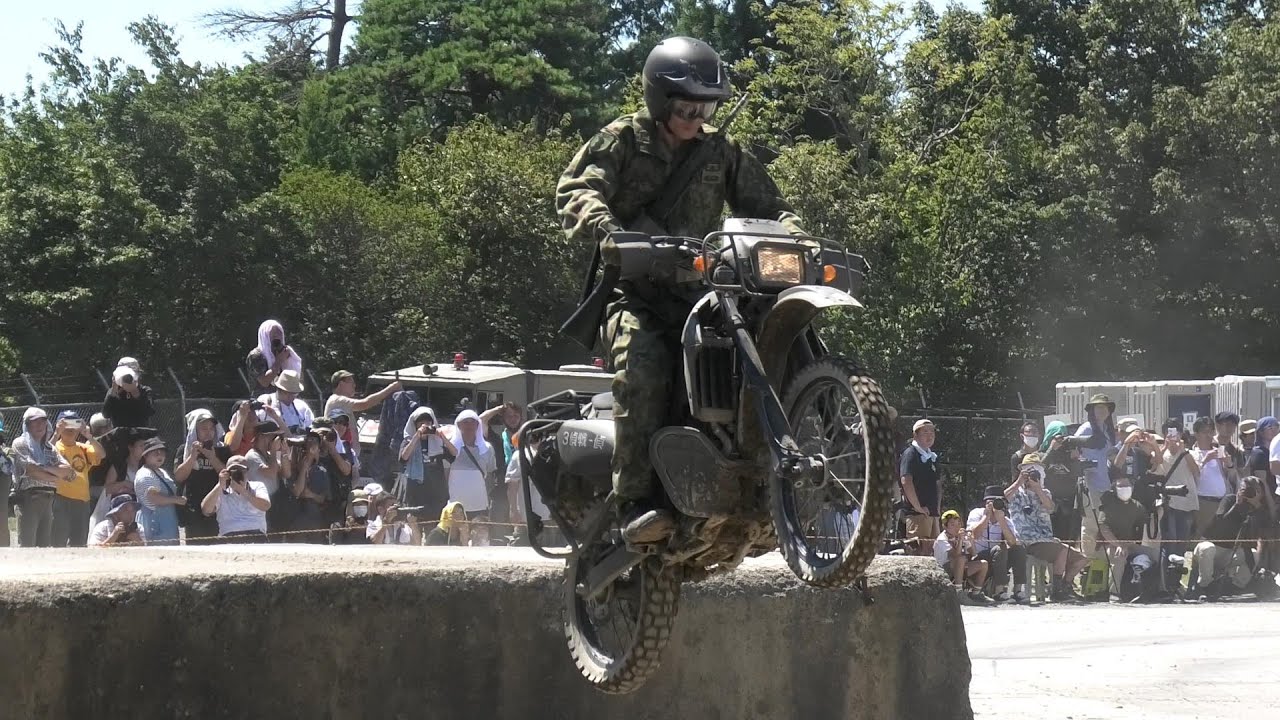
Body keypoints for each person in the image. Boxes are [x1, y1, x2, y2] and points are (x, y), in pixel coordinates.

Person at [556, 36, 805, 544]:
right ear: (659, 99)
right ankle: (634, 504)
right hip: (634, 294)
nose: (697, 116)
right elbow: (575, 188)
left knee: (765, 348)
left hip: (702, 291)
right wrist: (609, 232)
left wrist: (799, 238)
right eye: (688, 105)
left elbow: (770, 206)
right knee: (644, 362)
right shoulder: (622, 139)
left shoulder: (720, 150)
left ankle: (773, 481)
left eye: (707, 105)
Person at [1006, 453, 1089, 602]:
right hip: (1027, 541)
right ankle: (1056, 592)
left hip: (1047, 539)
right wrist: (1019, 481)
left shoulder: (1045, 492)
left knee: (1082, 559)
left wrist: (1037, 488)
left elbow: (1050, 508)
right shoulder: (1016, 493)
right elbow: (1004, 497)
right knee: (1061, 551)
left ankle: (1064, 585)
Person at [1191, 476, 1276, 600]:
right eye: (1244, 490)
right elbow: (1221, 524)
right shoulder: (1229, 499)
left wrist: (1256, 506)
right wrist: (1237, 505)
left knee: (1254, 555)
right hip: (1211, 546)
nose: (1247, 494)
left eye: (1252, 491)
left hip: (1230, 553)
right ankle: (1205, 586)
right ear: (1238, 490)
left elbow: (1264, 527)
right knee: (1207, 548)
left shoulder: (1256, 508)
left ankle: (1233, 587)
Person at [11, 407, 73, 547]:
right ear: (27, 425)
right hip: (28, 499)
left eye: (42, 421)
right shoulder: (20, 443)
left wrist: (44, 469)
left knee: (44, 547)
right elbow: (30, 470)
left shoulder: (50, 448)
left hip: (49, 500)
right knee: (27, 546)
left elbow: (68, 471)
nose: (39, 425)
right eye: (34, 422)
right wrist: (55, 476)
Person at [174, 409, 231, 544]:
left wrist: (212, 457)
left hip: (218, 506)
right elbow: (179, 477)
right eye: (204, 429)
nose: (209, 432)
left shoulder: (222, 450)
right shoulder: (184, 450)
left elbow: (228, 475)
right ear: (195, 431)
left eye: (211, 428)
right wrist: (193, 456)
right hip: (193, 508)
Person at [1098, 475, 1159, 601]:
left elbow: (1147, 521)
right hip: (1108, 546)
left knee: (1156, 554)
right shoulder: (1109, 505)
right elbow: (1104, 528)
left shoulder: (1136, 506)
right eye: (1121, 486)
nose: (1125, 488)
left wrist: (1159, 507)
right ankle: (1114, 593)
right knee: (1120, 557)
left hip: (1128, 545)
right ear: (1114, 489)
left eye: (1127, 485)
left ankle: (1160, 590)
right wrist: (1118, 545)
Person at [50, 410, 104, 547]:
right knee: (58, 541)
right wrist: (56, 434)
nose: (69, 428)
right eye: (65, 424)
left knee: (79, 543)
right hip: (61, 499)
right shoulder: (54, 446)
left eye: (73, 424)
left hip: (82, 501)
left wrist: (89, 436)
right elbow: (45, 456)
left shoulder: (83, 448)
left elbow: (101, 454)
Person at [966, 485, 1028, 604]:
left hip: (1000, 557)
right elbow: (974, 535)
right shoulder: (977, 513)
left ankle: (1018, 590)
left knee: (1019, 549)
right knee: (1000, 549)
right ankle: (999, 592)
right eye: (992, 502)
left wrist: (1001, 522)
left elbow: (1012, 542)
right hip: (980, 557)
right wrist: (986, 517)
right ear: (986, 503)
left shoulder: (1005, 519)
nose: (995, 505)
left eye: (998, 501)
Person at [1075, 394, 1118, 558]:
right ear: (1091, 411)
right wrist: (1085, 464)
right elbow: (1074, 452)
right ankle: (1086, 561)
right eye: (1097, 408)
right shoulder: (1086, 428)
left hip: (1106, 486)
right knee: (1090, 525)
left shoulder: (1107, 431)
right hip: (1089, 484)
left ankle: (1099, 563)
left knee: (1104, 525)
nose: (1101, 411)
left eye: (1104, 407)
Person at [445, 409, 497, 546]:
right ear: (459, 425)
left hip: (480, 503)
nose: (468, 425)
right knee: (455, 541)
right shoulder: (449, 448)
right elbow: (445, 474)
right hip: (455, 505)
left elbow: (490, 475)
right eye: (465, 422)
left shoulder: (487, 448)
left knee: (479, 540)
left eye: (472, 422)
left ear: (477, 425)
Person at [398, 407, 455, 522]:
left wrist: (442, 437)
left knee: (433, 526)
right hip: (415, 492)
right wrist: (416, 437)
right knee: (414, 527)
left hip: (436, 493)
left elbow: (453, 455)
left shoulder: (437, 442)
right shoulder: (409, 440)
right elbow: (403, 458)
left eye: (428, 423)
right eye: (421, 423)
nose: (425, 426)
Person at [200, 456, 272, 543]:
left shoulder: (257, 486)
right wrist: (220, 485)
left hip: (255, 534)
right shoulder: (220, 490)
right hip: (228, 535)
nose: (237, 474)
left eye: (241, 471)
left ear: (247, 472)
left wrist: (242, 490)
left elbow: (265, 506)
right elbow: (206, 510)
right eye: (233, 471)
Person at [1190, 415, 1236, 540]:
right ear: (1196, 434)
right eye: (1205, 432)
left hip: (1222, 502)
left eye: (1211, 432)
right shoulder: (1191, 453)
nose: (1209, 435)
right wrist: (1205, 460)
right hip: (1203, 502)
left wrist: (1229, 464)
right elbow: (1193, 475)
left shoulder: (1220, 450)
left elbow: (1231, 476)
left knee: (1220, 537)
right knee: (1201, 537)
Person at [901, 419, 943, 556]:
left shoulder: (932, 457)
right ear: (915, 435)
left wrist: (937, 509)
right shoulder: (910, 454)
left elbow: (938, 484)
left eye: (932, 432)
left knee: (931, 551)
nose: (930, 435)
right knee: (918, 552)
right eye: (925, 432)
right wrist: (917, 506)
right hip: (917, 514)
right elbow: (906, 480)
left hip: (932, 513)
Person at [133, 438, 185, 545]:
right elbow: (153, 498)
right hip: (154, 523)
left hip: (168, 522)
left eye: (162, 452)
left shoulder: (162, 472)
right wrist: (176, 500)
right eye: (155, 452)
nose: (159, 455)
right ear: (145, 455)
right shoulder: (145, 474)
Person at [934, 510, 992, 605]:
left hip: (960, 567)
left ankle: (976, 593)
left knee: (983, 564)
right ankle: (958, 592)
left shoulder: (961, 536)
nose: (956, 527)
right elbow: (955, 556)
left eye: (958, 524)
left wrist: (971, 541)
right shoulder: (942, 539)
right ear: (945, 526)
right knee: (961, 559)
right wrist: (960, 540)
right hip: (944, 569)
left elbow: (974, 555)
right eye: (952, 525)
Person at [1039, 420, 1082, 544]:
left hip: (1068, 505)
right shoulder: (1041, 453)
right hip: (1048, 504)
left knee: (1067, 542)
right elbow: (1039, 467)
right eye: (1057, 436)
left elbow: (1077, 476)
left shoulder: (1069, 454)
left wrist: (1075, 460)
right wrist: (1051, 449)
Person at [290, 431, 333, 543]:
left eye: (314, 443)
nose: (311, 447)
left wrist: (311, 495)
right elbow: (296, 492)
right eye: (309, 443)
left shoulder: (322, 471)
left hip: (316, 518)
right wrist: (305, 466)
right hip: (297, 517)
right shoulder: (296, 468)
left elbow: (324, 498)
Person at [246, 319, 303, 394]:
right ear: (265, 335)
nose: (277, 336)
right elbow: (264, 382)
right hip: (262, 401)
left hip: (282, 400)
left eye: (279, 333)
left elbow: (296, 375)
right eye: (273, 333)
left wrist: (290, 361)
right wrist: (279, 361)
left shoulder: (283, 352)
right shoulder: (256, 355)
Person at [323, 370, 402, 420]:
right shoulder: (337, 399)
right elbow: (364, 404)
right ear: (341, 384)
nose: (354, 385)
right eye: (351, 382)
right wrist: (392, 387)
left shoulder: (337, 400)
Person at [257, 369, 314, 434]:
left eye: (294, 393)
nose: (291, 396)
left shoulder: (302, 406)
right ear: (279, 389)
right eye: (287, 393)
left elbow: (310, 427)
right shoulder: (266, 400)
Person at [101, 360, 155, 429]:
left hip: (141, 434)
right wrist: (113, 393)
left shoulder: (145, 391)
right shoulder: (113, 392)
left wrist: (136, 394)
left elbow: (150, 412)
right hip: (120, 435)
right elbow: (106, 414)